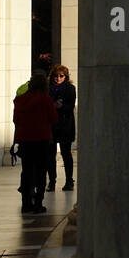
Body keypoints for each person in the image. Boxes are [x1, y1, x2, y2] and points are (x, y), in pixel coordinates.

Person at [13, 69, 57, 214]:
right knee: (41, 171)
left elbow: (16, 120)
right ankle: (38, 203)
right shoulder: (45, 99)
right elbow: (53, 118)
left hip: (25, 139)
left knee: (26, 171)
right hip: (42, 139)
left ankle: (26, 203)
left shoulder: (20, 100)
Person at [47, 64, 76, 192]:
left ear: (66, 76)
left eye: (61, 76)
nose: (58, 78)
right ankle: (52, 181)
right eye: (55, 76)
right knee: (50, 154)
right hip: (51, 125)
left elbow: (70, 107)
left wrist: (60, 107)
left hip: (65, 124)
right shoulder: (48, 89)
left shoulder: (70, 88)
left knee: (66, 153)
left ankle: (69, 180)